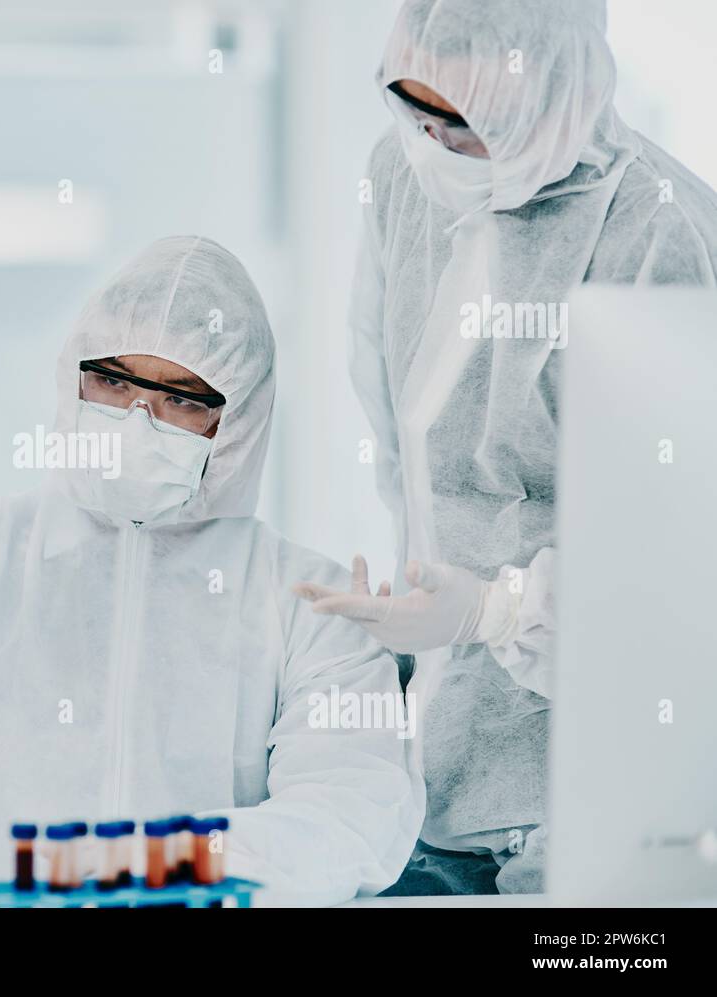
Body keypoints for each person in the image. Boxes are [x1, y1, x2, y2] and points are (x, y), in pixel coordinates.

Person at [0, 236, 424, 906]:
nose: (137, 420)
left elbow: (349, 815)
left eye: (182, 397)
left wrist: (139, 875)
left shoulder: (308, 605)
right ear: (75, 376)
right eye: (115, 381)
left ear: (238, 421)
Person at [295, 0, 717, 894]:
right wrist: (422, 611)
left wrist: (498, 608)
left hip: (599, 781)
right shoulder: (404, 180)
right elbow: (405, 445)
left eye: (466, 124)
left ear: (552, 97)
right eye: (411, 106)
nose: (432, 145)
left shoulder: (661, 231)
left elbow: (683, 559)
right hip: (434, 773)